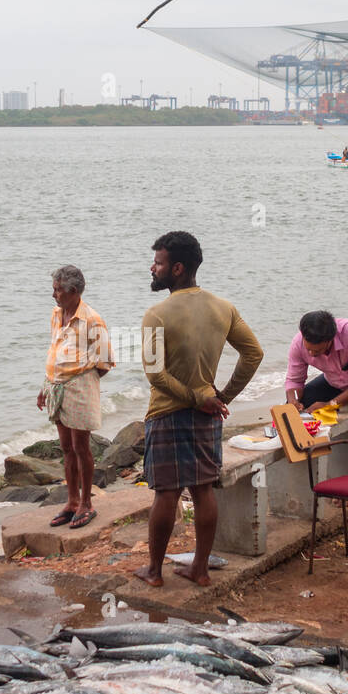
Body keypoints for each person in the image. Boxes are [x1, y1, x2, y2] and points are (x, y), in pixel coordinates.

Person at [134, 231, 263, 588]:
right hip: (206, 413)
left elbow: (155, 375)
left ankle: (155, 572)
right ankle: (200, 569)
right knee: (204, 489)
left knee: (166, 493)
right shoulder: (223, 307)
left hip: (168, 413)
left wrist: (196, 399)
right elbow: (254, 354)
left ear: (177, 268)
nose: (152, 268)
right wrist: (222, 397)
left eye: (158, 263)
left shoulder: (156, 314)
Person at [37, 265, 114, 530]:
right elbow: (55, 350)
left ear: (73, 291)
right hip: (55, 385)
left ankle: (86, 503)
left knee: (82, 447)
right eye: (54, 288)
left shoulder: (92, 320)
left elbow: (104, 361)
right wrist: (45, 386)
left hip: (80, 386)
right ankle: (71, 502)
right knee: (66, 447)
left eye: (58, 290)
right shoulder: (56, 314)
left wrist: (82, 384)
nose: (53, 294)